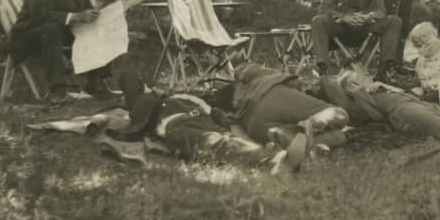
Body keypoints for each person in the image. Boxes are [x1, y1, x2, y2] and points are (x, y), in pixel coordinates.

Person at [105, 71, 308, 175]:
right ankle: (276, 159)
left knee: (224, 141)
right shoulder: (143, 102)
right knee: (217, 142)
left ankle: (270, 154)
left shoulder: (171, 97)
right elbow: (139, 126)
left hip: (196, 119)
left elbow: (212, 110)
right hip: (179, 125)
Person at [8, 0, 111, 104]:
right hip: (28, 36)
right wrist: (76, 16)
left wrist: (98, 16)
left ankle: (96, 82)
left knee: (99, 27)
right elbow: (40, 15)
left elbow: (86, 11)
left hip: (58, 34)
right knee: (52, 29)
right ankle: (57, 90)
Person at [211, 63, 352, 153]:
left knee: (340, 136)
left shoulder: (237, 95)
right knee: (340, 114)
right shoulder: (253, 75)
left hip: (252, 124)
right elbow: (251, 70)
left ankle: (296, 141)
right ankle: (308, 125)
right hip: (271, 94)